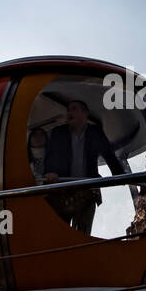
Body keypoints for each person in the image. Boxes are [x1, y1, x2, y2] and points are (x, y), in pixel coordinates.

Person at [43, 99, 123, 235]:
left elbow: (108, 155)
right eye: (68, 109)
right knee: (59, 232)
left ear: (85, 114)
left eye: (74, 109)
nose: (69, 112)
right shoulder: (58, 133)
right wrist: (49, 173)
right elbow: (50, 156)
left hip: (87, 191)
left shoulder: (95, 132)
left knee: (83, 232)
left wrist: (121, 177)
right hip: (62, 190)